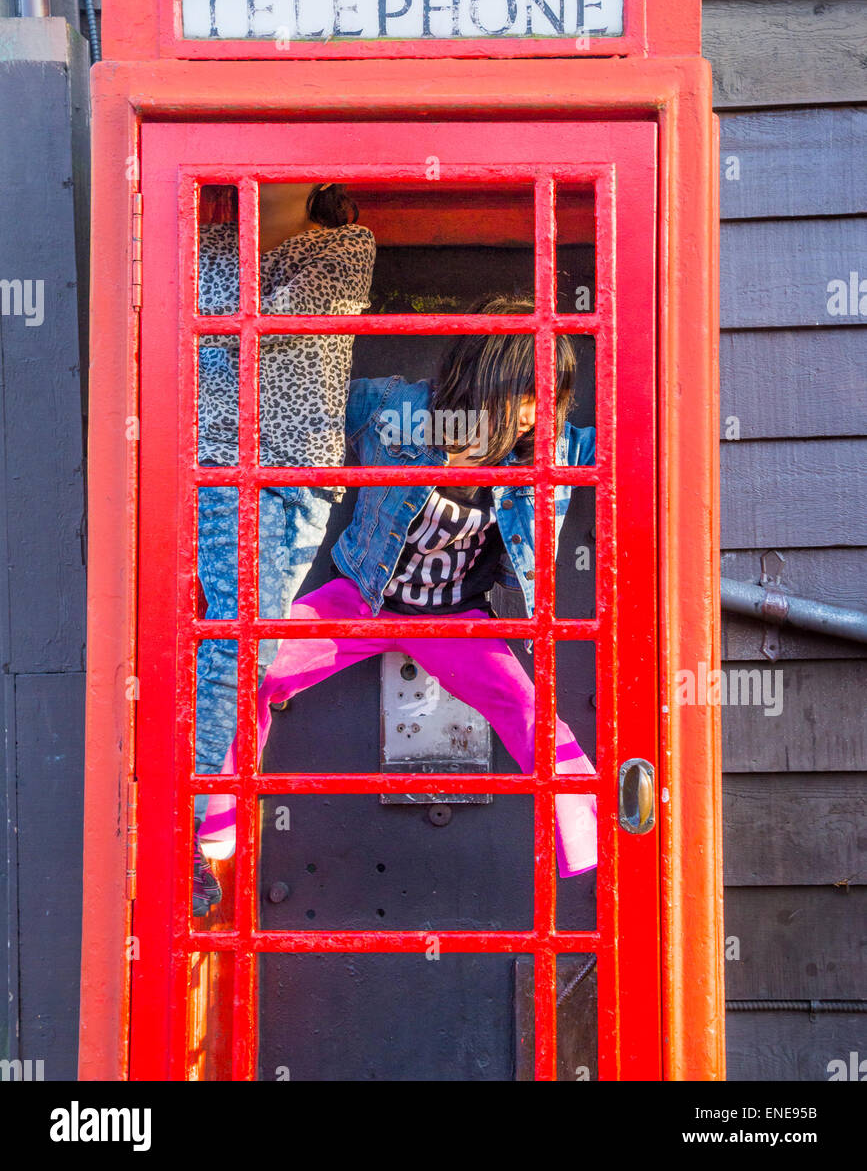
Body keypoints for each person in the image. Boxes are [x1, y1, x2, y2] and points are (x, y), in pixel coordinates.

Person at [200, 297, 597, 882]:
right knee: (250, 663)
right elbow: (305, 396)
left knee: (532, 714)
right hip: (364, 597)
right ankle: (217, 820)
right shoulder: (391, 409)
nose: (533, 415)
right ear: (480, 376)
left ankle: (591, 852)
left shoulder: (554, 448)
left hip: (454, 618)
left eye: (548, 397)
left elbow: (637, 423)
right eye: (525, 394)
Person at [194, 182, 375, 914]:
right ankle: (199, 820)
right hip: (205, 461)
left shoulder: (346, 245)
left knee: (237, 650)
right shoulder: (204, 239)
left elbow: (263, 328)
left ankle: (198, 820)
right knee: (224, 650)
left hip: (286, 471)